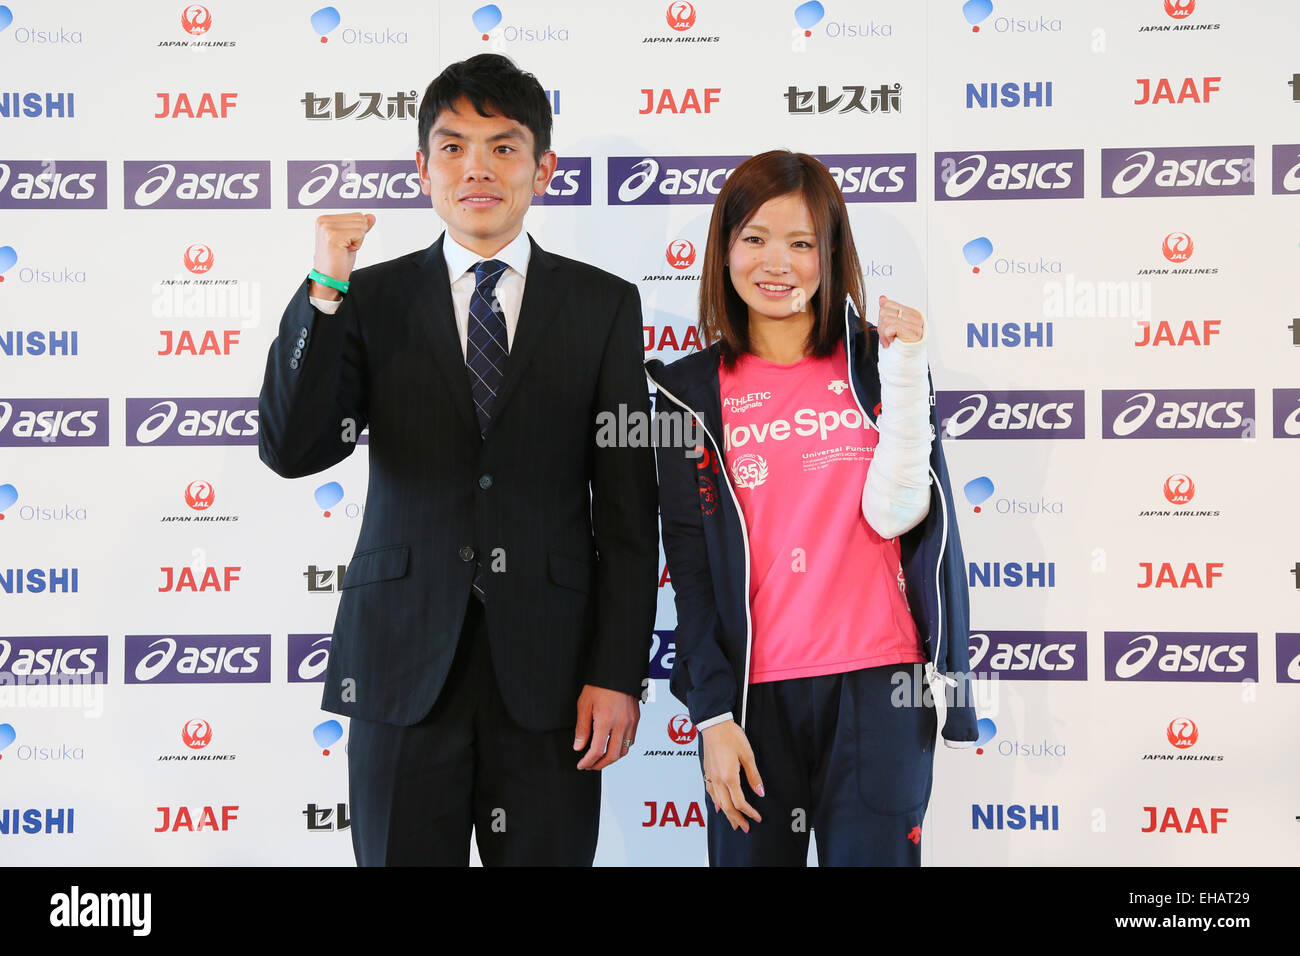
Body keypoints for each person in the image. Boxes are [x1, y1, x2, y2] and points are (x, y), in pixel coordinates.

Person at [258, 53, 658, 866]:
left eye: (504, 148)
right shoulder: (367, 298)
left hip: (552, 677)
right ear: (422, 167)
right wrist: (324, 289)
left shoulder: (603, 304)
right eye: (453, 147)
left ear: (543, 168)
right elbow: (293, 450)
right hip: (401, 668)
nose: (477, 168)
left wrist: (617, 672)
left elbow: (626, 510)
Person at [645, 150, 978, 866]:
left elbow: (923, 517)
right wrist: (713, 716)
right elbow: (693, 575)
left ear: (830, 257)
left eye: (801, 243)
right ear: (725, 249)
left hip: (879, 693)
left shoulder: (879, 366)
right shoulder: (685, 395)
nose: (777, 262)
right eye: (755, 238)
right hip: (752, 702)